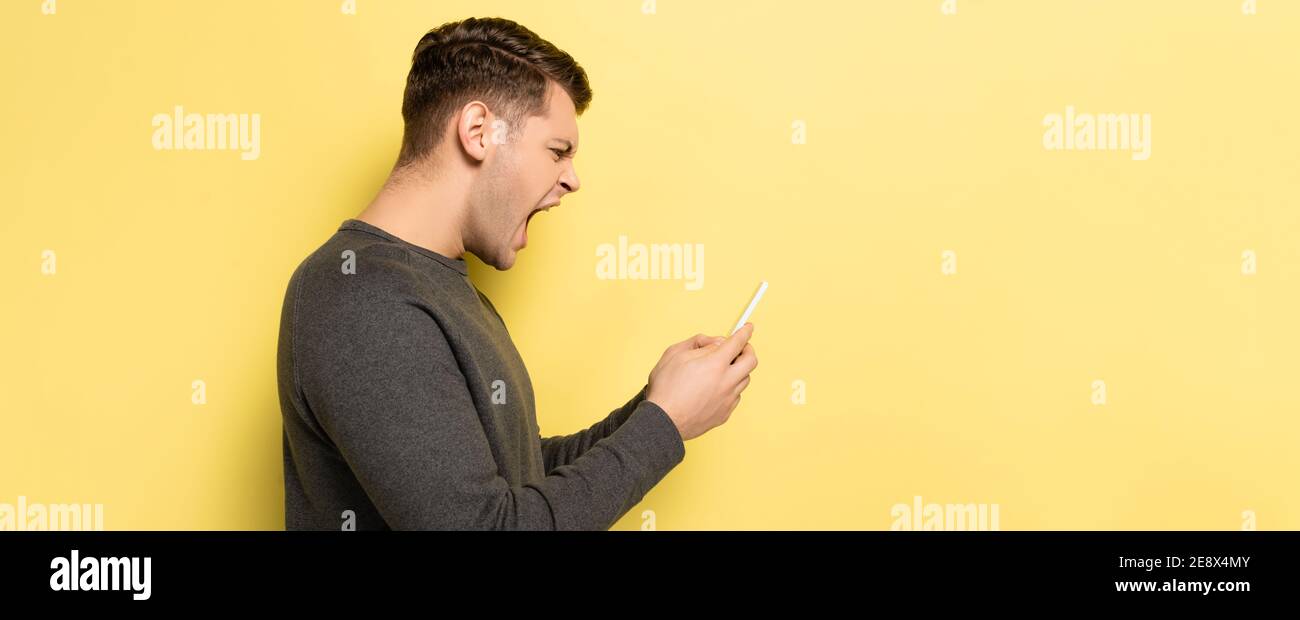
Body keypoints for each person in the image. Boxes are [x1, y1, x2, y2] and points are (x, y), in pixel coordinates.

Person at [276, 17, 757, 530]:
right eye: (557, 151)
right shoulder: (361, 297)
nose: (572, 179)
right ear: (479, 131)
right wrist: (665, 425)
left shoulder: (442, 289)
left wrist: (659, 405)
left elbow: (516, 483)